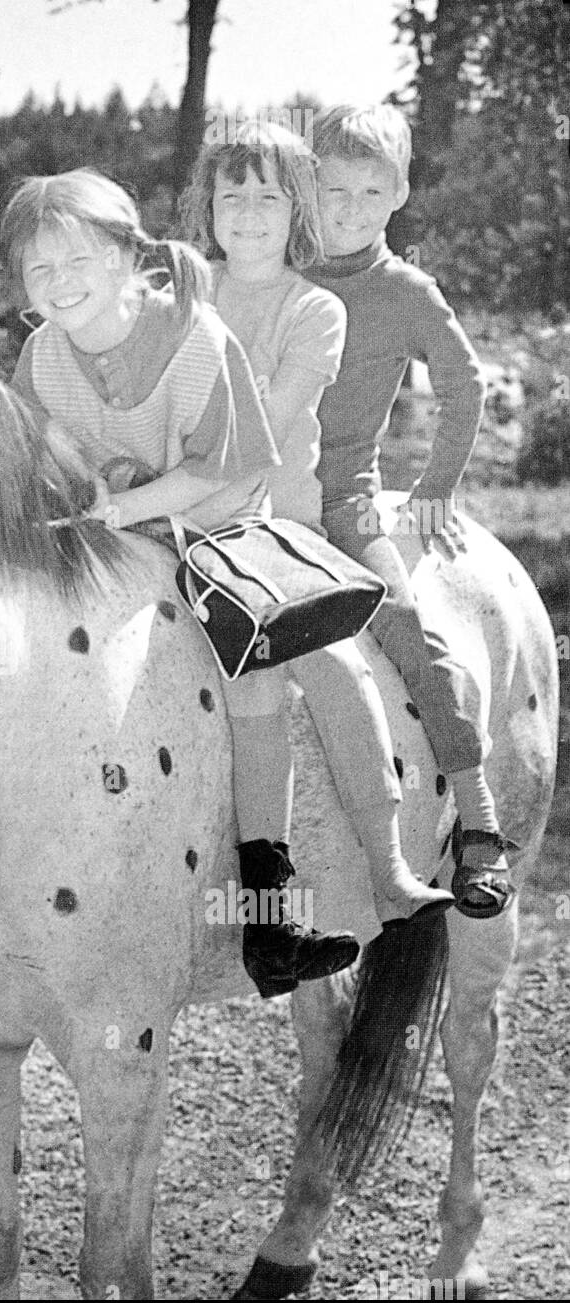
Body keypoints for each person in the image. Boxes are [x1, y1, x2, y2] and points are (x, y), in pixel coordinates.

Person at [0, 168, 360, 998]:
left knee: (251, 671)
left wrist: (119, 508)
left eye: (78, 261)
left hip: (217, 526)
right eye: (38, 272)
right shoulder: (40, 354)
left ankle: (270, 911)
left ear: (128, 256)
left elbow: (221, 467)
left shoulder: (195, 338)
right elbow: (35, 457)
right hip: (112, 533)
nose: (59, 285)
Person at [179, 120, 454, 933]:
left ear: (295, 207)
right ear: (209, 206)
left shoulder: (316, 307)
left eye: (269, 197)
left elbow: (258, 433)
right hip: (170, 520)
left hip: (272, 527)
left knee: (334, 666)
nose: (251, 214)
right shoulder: (183, 289)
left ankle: (386, 860)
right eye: (234, 196)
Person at [307, 105, 514, 919]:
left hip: (341, 502)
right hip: (246, 491)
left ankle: (479, 818)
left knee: (401, 624)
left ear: (396, 194)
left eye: (369, 190)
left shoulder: (402, 291)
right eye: (332, 189)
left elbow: (465, 387)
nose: (349, 207)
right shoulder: (270, 271)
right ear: (305, 188)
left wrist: (433, 489)